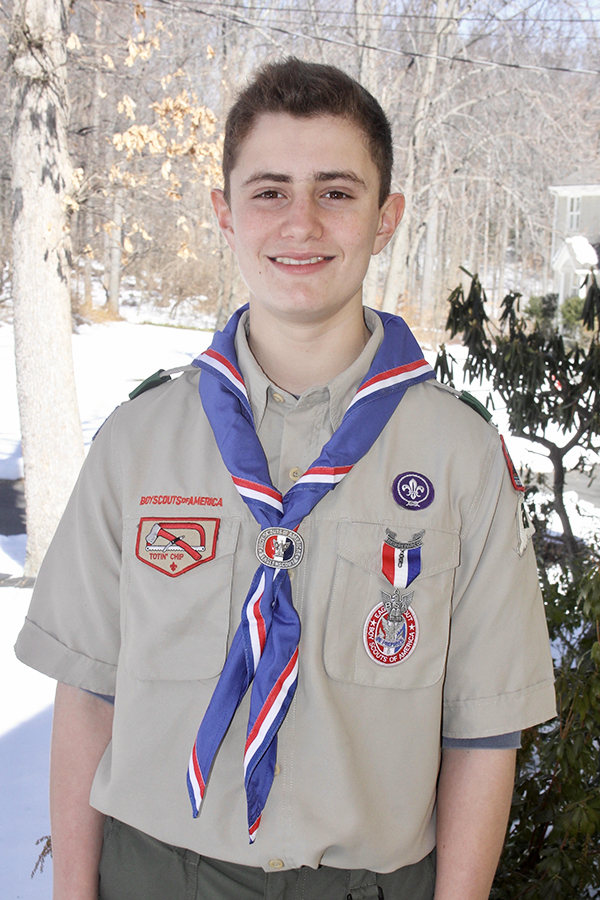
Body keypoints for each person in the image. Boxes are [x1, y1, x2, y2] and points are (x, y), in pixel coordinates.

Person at [15, 58, 556, 900]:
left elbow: (482, 733)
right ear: (224, 213)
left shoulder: (461, 459)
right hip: (155, 874)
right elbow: (87, 693)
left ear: (386, 218)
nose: (300, 223)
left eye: (336, 192)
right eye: (269, 191)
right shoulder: (137, 442)